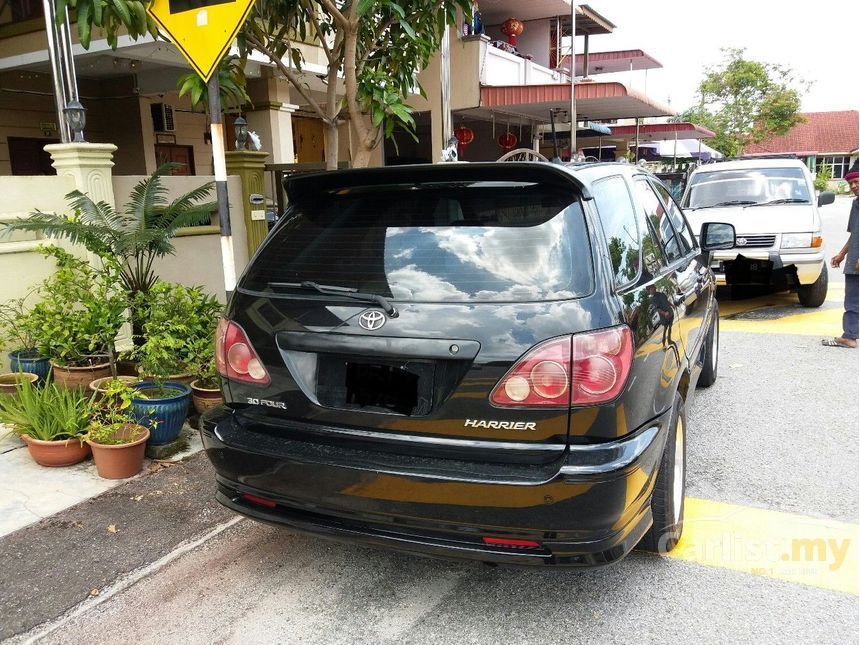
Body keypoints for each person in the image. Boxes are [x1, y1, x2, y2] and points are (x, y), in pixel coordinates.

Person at [823, 161, 859, 348]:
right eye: (851, 183)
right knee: (852, 299)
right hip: (854, 261)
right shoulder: (856, 204)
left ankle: (850, 336)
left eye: (857, 182)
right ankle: (850, 334)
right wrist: (841, 254)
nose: (854, 186)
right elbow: (855, 233)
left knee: (853, 299)